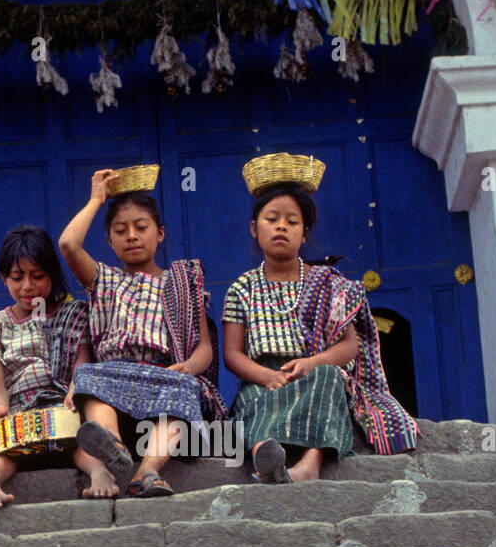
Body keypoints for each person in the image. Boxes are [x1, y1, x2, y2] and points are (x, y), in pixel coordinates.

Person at [222, 163, 417, 484]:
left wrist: (312, 363)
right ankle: (264, 456)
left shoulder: (325, 283)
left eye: (292, 221)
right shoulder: (241, 288)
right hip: (263, 377)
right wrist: (266, 376)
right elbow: (233, 354)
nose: (281, 227)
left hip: (313, 372)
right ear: (255, 229)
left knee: (329, 379)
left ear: (305, 232)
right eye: (272, 220)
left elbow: (349, 346)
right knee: (252, 401)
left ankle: (309, 464)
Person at [57, 168, 226, 497]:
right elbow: (68, 243)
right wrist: (96, 200)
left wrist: (189, 368)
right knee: (90, 375)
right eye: (120, 230)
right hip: (113, 374)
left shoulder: (182, 282)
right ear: (109, 240)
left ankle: (148, 471)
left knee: (187, 387)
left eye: (141, 227)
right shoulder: (102, 280)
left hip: (162, 376)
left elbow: (204, 348)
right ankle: (112, 443)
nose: (131, 235)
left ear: (160, 233)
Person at [0, 225, 118, 508]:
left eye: (37, 276)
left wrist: (74, 393)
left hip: (64, 405)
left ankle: (100, 473)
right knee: (2, 454)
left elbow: (83, 363)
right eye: (17, 277)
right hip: (19, 410)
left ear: (52, 275)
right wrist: (1, 407)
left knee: (81, 440)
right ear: (4, 278)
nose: (28, 286)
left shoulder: (73, 313)